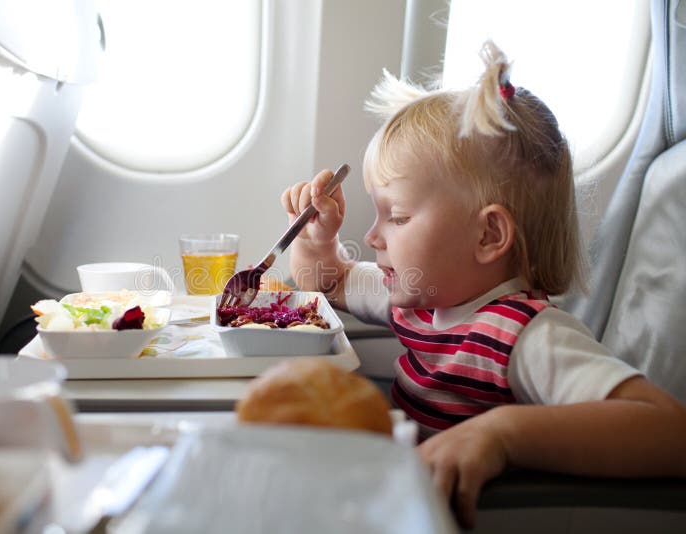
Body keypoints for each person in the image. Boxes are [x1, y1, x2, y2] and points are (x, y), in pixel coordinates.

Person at [281, 41, 686, 528]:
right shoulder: (419, 298)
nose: (371, 237)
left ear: (488, 235)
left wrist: (502, 434)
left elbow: (668, 430)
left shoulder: (527, 337)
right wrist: (316, 239)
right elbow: (328, 282)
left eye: (399, 217)